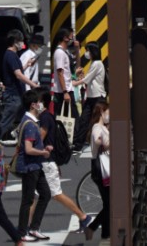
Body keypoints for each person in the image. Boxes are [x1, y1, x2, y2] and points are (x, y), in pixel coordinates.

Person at [33, 91, 93, 232]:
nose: (36, 104)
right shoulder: (46, 116)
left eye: (38, 101)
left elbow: (40, 139)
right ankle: (27, 227)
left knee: (56, 194)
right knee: (34, 195)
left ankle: (83, 217)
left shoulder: (45, 117)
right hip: (46, 162)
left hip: (46, 162)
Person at [14, 90, 52, 241]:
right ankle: (22, 232)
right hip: (30, 166)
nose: (41, 104)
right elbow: (28, 149)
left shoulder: (29, 121)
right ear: (33, 105)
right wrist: (43, 152)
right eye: (39, 102)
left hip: (35, 166)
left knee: (46, 194)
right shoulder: (30, 124)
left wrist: (44, 149)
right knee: (27, 200)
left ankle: (34, 228)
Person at [1, 31, 38, 137]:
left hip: (17, 93)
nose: (22, 43)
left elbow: (18, 71)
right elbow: (18, 75)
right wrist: (34, 85)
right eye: (20, 41)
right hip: (13, 94)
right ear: (14, 42)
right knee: (6, 121)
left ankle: (22, 138)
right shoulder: (11, 55)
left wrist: (27, 65)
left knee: (23, 117)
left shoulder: (13, 55)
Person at [72, 43, 106, 149]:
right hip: (92, 96)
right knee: (85, 119)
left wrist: (74, 83)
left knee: (95, 121)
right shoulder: (94, 63)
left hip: (97, 96)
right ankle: (78, 143)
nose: (86, 53)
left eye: (88, 51)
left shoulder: (97, 63)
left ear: (93, 52)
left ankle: (99, 142)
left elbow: (87, 79)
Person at [85, 102, 111, 240]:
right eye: (108, 111)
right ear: (102, 112)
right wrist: (108, 142)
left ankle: (106, 234)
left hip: (103, 168)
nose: (109, 114)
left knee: (108, 203)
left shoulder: (103, 127)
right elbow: (97, 139)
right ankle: (92, 227)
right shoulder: (97, 127)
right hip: (101, 168)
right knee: (110, 204)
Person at [50, 29, 74, 114]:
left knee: (71, 117)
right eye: (71, 36)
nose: (72, 39)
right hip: (63, 92)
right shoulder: (60, 53)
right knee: (64, 117)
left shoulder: (64, 52)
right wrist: (65, 92)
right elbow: (60, 73)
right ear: (65, 38)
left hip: (67, 89)